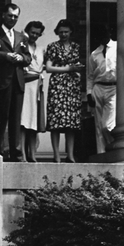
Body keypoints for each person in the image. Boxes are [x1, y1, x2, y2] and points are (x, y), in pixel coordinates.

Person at [0, 3, 31, 161]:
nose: (13, 19)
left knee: (15, 119)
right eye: (10, 15)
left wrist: (21, 58)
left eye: (15, 16)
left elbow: (28, 57)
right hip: (0, 82)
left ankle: (16, 155)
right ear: (3, 16)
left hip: (17, 83)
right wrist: (5, 56)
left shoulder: (21, 36)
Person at [45, 19, 84, 163]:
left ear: (71, 32)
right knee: (56, 121)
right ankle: (56, 155)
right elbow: (49, 68)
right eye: (61, 32)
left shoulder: (75, 47)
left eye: (66, 32)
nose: (63, 34)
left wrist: (76, 69)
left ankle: (70, 154)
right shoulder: (53, 47)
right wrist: (68, 69)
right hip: (57, 86)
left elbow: (75, 65)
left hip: (71, 86)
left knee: (71, 122)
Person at [86, 23, 117, 155]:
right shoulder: (94, 54)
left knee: (107, 125)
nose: (103, 36)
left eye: (105, 33)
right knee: (98, 125)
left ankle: (113, 150)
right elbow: (90, 76)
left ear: (110, 32)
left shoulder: (118, 47)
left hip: (113, 89)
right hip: (98, 88)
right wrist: (88, 94)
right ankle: (102, 154)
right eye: (100, 34)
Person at [20, 21, 46, 162]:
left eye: (37, 33)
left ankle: (33, 154)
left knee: (34, 121)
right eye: (32, 32)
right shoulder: (22, 46)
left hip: (37, 87)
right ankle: (23, 153)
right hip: (26, 85)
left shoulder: (41, 49)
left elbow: (44, 66)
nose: (34, 35)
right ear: (27, 31)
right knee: (24, 120)